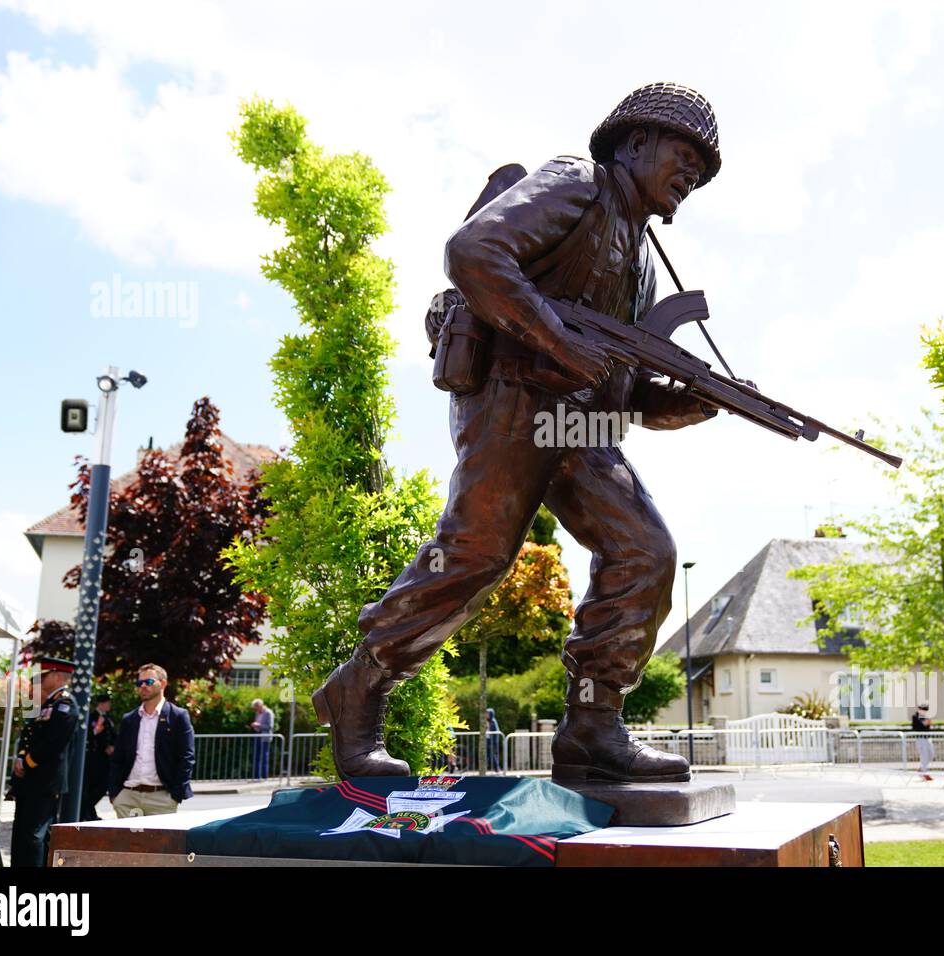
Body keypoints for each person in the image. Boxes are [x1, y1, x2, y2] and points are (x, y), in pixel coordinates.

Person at [312, 83, 726, 785]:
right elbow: (473, 252)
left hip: (581, 424)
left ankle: (593, 725)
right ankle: (362, 684)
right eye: (684, 157)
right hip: (510, 397)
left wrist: (668, 404)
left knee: (646, 550)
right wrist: (560, 344)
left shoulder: (644, 259)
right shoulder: (578, 183)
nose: (690, 176)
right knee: (475, 557)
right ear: (636, 144)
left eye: (701, 169)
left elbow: (615, 386)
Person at [9, 655, 80, 867]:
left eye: (44, 675)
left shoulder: (65, 705)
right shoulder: (47, 704)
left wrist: (27, 762)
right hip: (30, 781)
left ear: (58, 677)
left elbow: (52, 743)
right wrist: (21, 759)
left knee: (34, 836)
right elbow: (29, 735)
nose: (39, 680)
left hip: (45, 782)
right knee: (22, 834)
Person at [108, 664, 195, 817]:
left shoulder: (178, 716)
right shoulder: (129, 719)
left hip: (161, 798)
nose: (143, 686)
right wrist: (115, 794)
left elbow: (186, 757)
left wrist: (175, 795)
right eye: (139, 683)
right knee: (127, 842)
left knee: (159, 842)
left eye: (148, 682)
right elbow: (118, 758)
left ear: (163, 683)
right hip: (128, 796)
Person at [80, 692, 115, 821]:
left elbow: (112, 734)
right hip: (94, 757)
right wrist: (96, 731)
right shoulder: (92, 717)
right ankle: (86, 811)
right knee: (93, 785)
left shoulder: (108, 718)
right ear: (102, 704)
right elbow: (89, 734)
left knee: (102, 785)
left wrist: (113, 746)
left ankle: (88, 809)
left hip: (105, 758)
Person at [249, 699, 274, 781]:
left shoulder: (268, 713)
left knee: (264, 757)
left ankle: (264, 777)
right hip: (258, 735)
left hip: (265, 737)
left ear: (260, 705)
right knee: (256, 756)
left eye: (256, 707)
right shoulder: (257, 713)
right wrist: (255, 726)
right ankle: (256, 777)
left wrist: (259, 725)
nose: (256, 710)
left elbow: (270, 726)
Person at [911, 705, 934, 781]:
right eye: (923, 709)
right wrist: (924, 723)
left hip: (927, 737)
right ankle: (924, 773)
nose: (924, 711)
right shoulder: (915, 717)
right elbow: (917, 727)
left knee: (931, 754)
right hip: (920, 738)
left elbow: (928, 726)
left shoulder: (926, 717)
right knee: (924, 755)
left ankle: (922, 769)